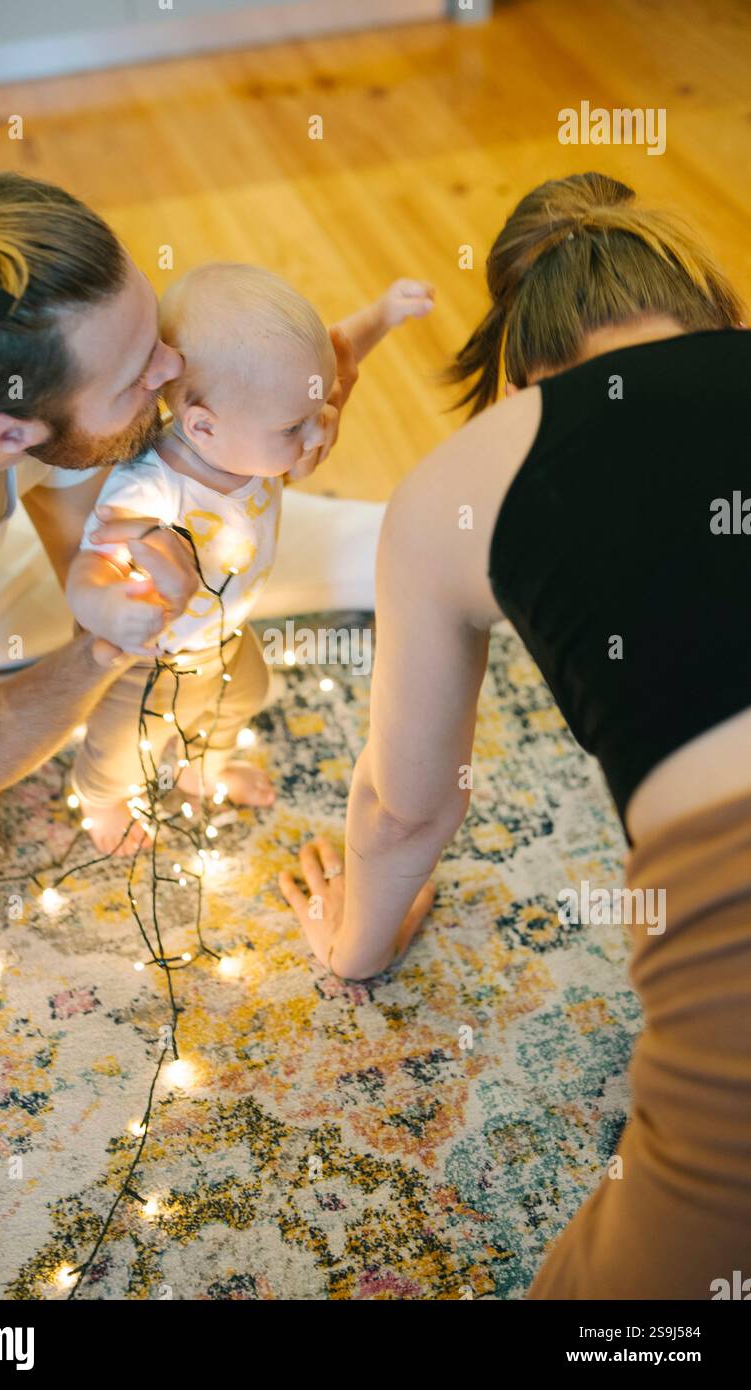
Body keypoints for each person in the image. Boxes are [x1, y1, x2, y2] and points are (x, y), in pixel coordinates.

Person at [279, 171, 751, 1298]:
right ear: (710, 308)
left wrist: (357, 944)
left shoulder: (467, 474)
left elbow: (407, 801)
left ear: (520, 364)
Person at [0, 171, 380, 1092]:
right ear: (9, 433)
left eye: (153, 336)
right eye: (135, 376)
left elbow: (105, 539)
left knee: (320, 541)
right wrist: (105, 650)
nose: (168, 369)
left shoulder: (9, 384)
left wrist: (275, 427)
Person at [67, 262, 434, 853]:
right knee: (122, 746)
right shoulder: (150, 488)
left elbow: (340, 357)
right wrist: (106, 607)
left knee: (241, 697)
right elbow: (89, 566)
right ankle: (101, 799)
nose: (318, 435)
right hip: (151, 660)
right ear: (203, 428)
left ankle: (203, 770)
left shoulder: (258, 421)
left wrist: (386, 313)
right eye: (295, 427)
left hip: (226, 638)